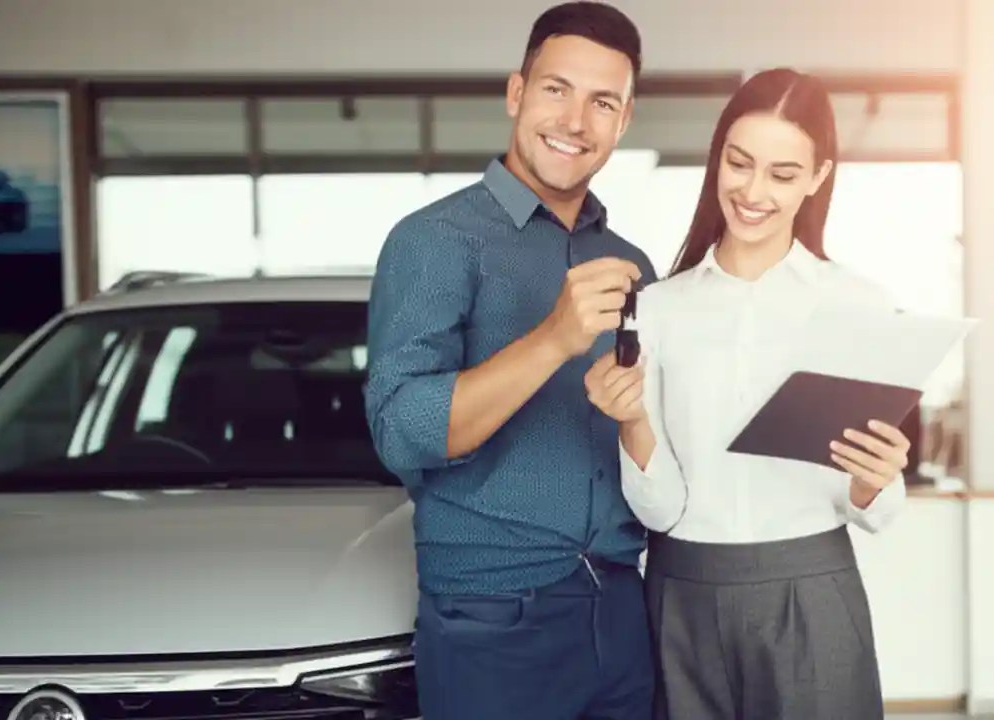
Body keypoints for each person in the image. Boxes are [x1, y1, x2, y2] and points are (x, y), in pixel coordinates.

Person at [584, 68, 913, 719]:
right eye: (739, 164)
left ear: (818, 177)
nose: (753, 192)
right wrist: (631, 422)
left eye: (783, 174)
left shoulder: (859, 305)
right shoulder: (659, 309)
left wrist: (875, 479)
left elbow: (876, 511)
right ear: (717, 160)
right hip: (681, 594)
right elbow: (660, 509)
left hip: (812, 593)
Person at [363, 3, 657, 719]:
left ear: (623, 121)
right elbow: (401, 432)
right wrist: (553, 337)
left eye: (602, 102)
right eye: (556, 89)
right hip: (493, 619)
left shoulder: (631, 265)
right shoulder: (434, 241)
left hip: (622, 609)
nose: (575, 121)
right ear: (516, 93)